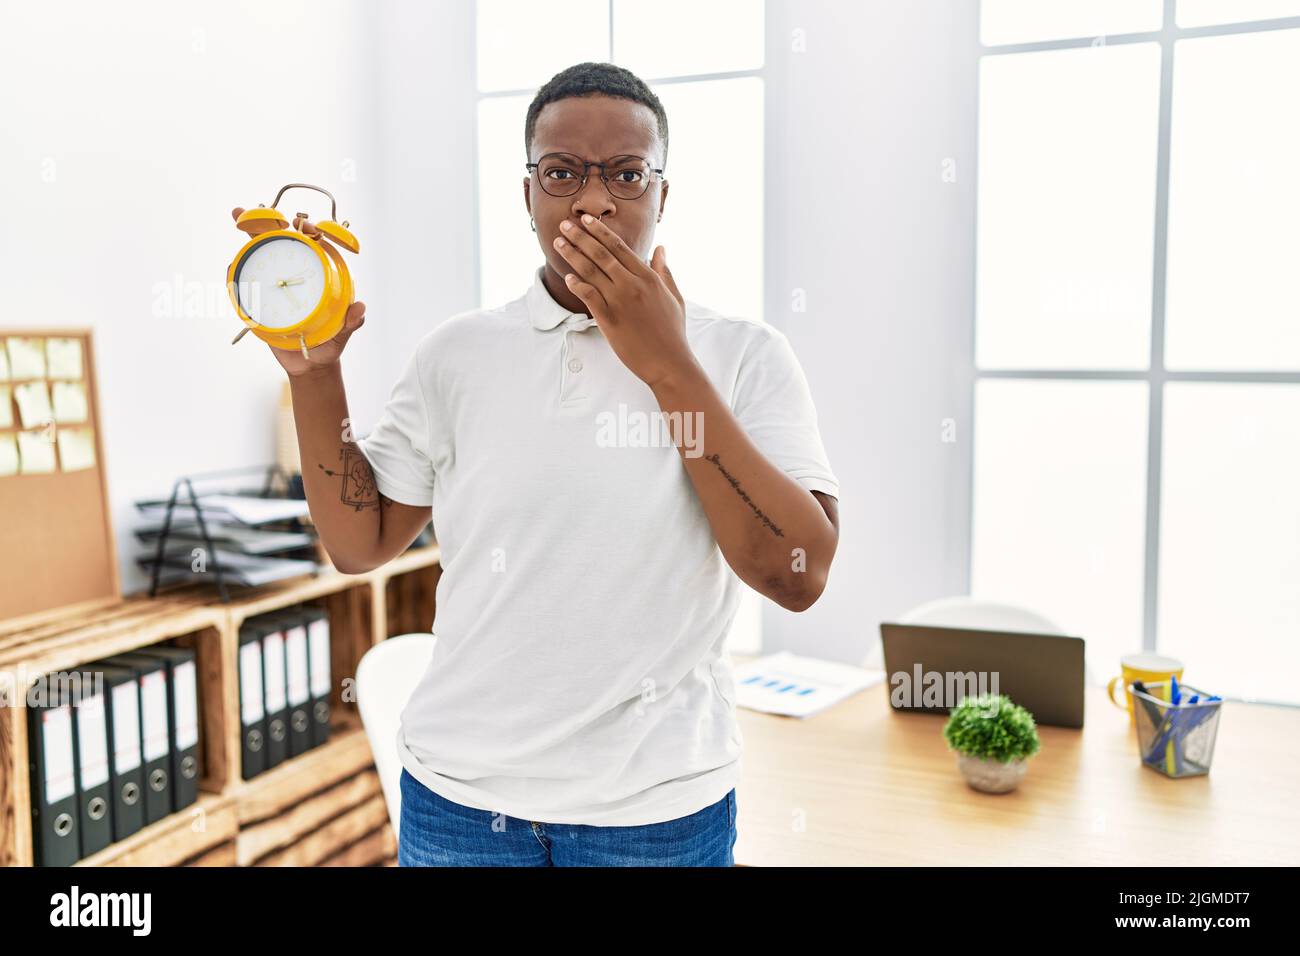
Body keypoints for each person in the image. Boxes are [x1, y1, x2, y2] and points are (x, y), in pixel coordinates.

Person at [236, 61, 839, 866]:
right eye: (561, 174)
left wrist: (666, 362)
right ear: (528, 197)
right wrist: (315, 378)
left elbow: (794, 574)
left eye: (627, 175)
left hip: (657, 815)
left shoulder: (745, 356)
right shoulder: (457, 354)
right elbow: (360, 541)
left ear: (664, 195)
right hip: (459, 806)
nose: (594, 201)